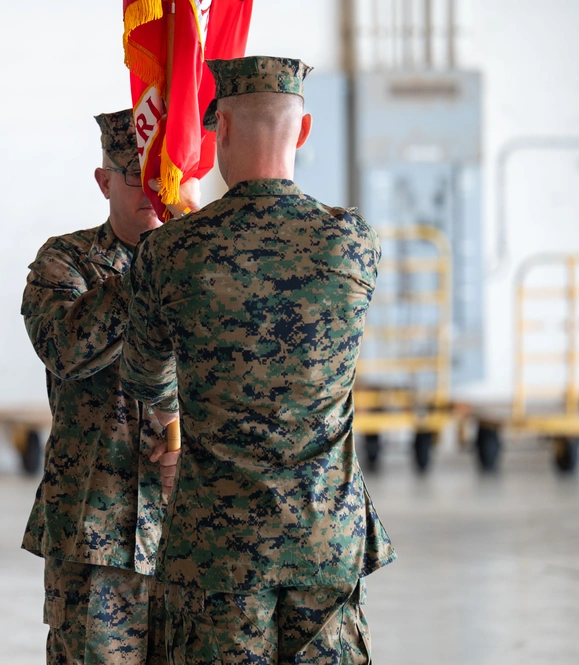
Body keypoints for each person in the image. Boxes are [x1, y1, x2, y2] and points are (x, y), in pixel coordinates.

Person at [121, 56, 397, 664]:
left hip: (218, 544)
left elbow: (142, 376)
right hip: (325, 536)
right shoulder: (352, 241)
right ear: (302, 131)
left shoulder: (172, 250)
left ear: (216, 128)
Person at [20, 109, 185, 664]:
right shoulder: (65, 262)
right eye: (136, 175)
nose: (152, 191)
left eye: (164, 175)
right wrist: (150, 268)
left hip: (191, 527)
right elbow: (66, 348)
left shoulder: (205, 267)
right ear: (103, 181)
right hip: (97, 530)